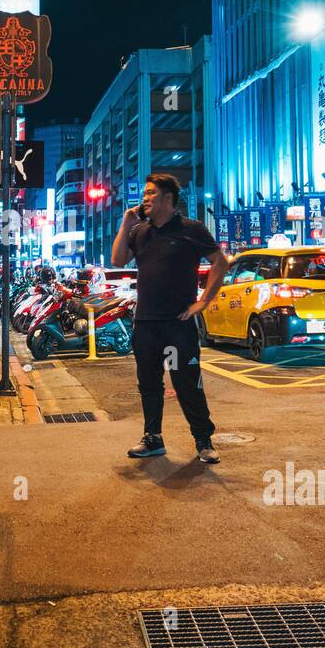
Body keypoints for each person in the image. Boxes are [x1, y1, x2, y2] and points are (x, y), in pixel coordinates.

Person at [112, 173, 229, 464]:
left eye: (151, 193)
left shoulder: (192, 229)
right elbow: (117, 260)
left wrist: (203, 302)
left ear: (168, 198)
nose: (145, 198)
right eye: (145, 193)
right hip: (146, 324)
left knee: (186, 381)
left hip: (177, 326)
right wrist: (126, 223)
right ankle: (153, 438)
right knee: (149, 383)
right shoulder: (140, 231)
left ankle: (203, 440)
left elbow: (220, 262)